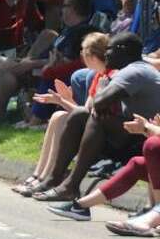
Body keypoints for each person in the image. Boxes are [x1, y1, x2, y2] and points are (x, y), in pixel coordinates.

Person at [32, 33, 160, 203]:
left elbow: (98, 102)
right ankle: (54, 179)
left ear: (122, 50)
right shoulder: (134, 69)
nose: (106, 54)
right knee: (81, 115)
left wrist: (102, 94)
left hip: (144, 138)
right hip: (134, 133)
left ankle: (69, 186)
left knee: (96, 117)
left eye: (109, 49)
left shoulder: (134, 71)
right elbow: (97, 105)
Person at [13, 33, 110, 197]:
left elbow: (89, 114)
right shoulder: (98, 76)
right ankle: (39, 175)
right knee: (58, 115)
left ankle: (48, 177)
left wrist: (65, 101)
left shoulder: (106, 77)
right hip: (94, 122)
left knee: (62, 116)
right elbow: (85, 112)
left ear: (90, 55)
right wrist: (62, 100)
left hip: (104, 130)